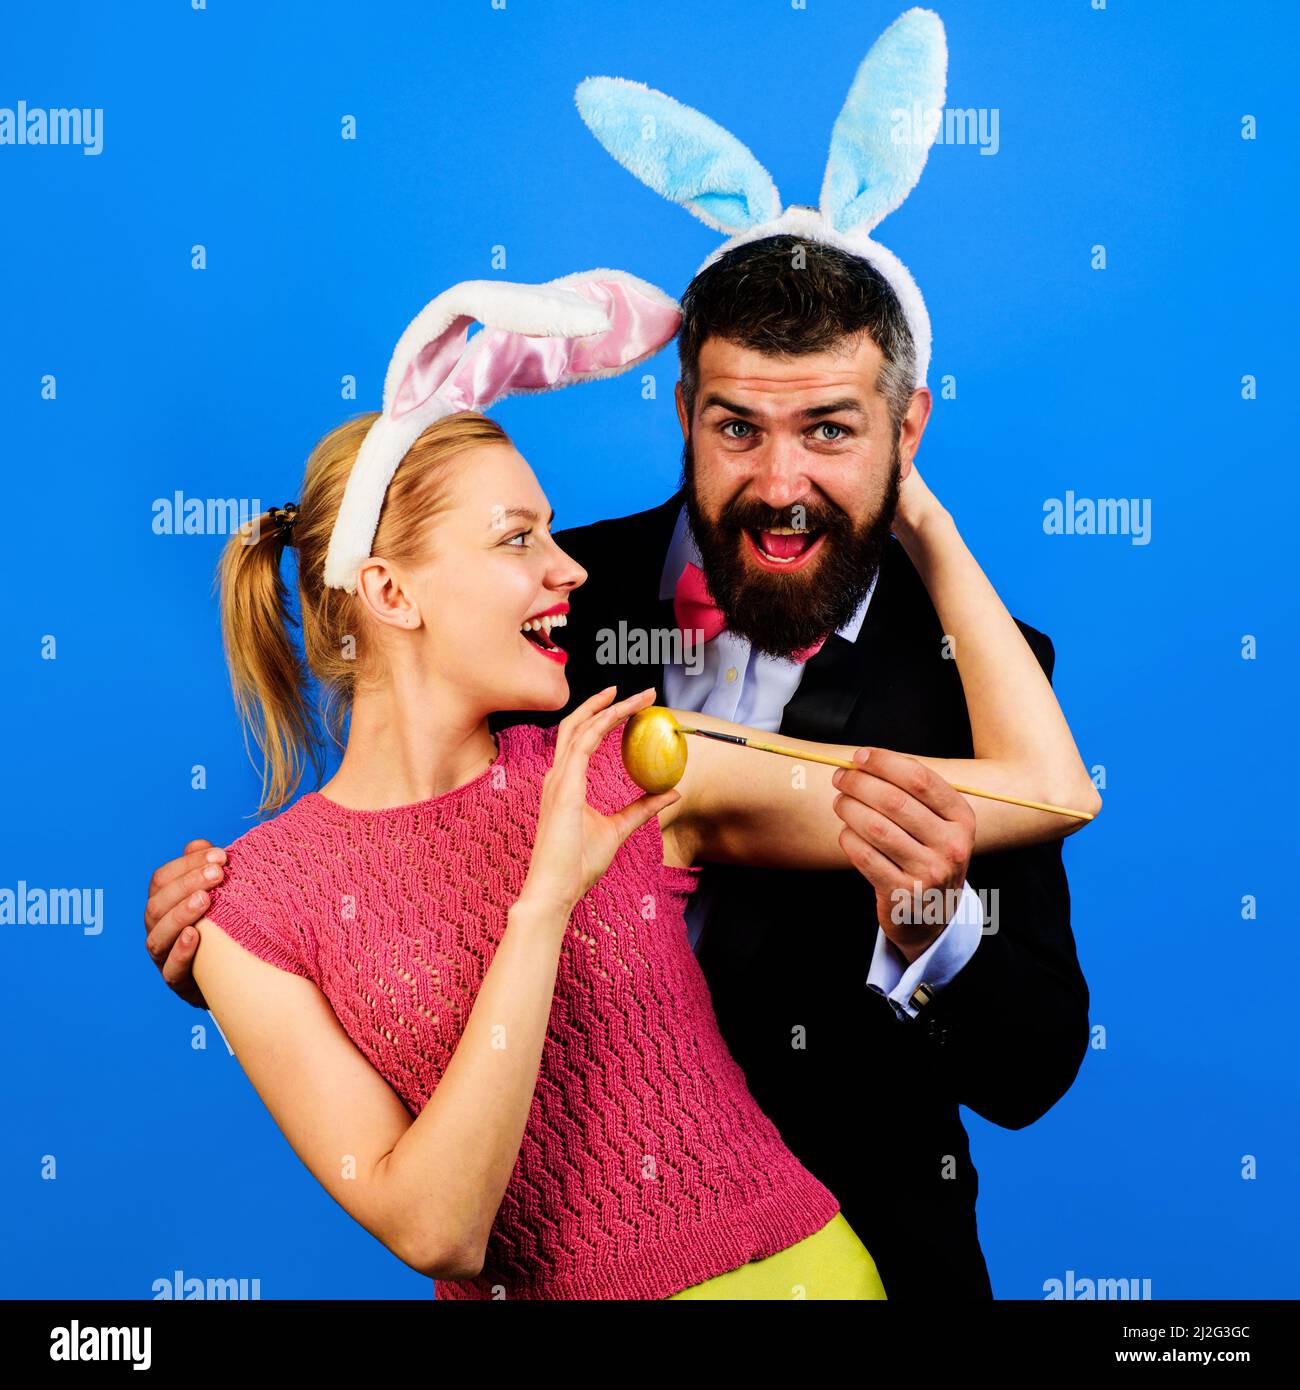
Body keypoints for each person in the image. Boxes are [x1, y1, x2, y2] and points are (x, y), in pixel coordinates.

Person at [146, 239, 1100, 1297]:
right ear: (685, 410)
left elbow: (1038, 1004)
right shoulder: (560, 636)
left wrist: (936, 933)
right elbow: (396, 904)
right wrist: (254, 966)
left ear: (904, 430)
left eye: (830, 429)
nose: (783, 483)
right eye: (738, 425)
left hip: (839, 1247)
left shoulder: (953, 676)